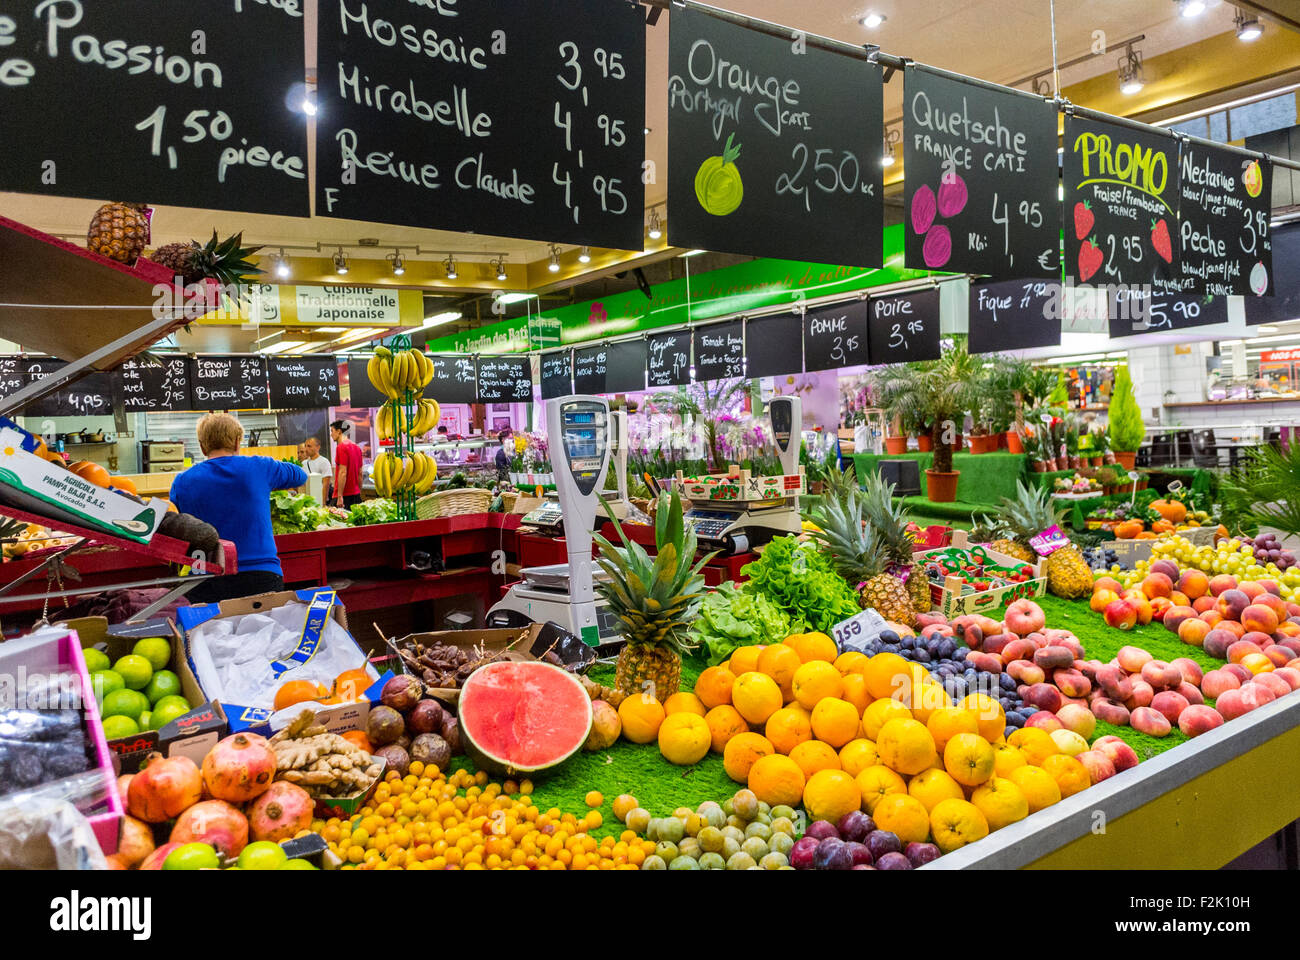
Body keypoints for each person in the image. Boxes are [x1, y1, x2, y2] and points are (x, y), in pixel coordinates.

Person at [170, 413, 307, 604]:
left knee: (207, 634)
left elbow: (174, 518)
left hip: (203, 579)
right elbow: (299, 475)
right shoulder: (259, 466)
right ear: (237, 442)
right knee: (264, 632)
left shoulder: (182, 482)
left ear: (202, 447)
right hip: (261, 576)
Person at [331, 419, 364, 508]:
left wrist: (340, 496)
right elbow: (360, 473)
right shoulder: (357, 448)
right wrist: (358, 492)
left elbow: (343, 472)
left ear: (339, 432)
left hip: (344, 496)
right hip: (355, 495)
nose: (331, 434)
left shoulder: (341, 447)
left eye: (332, 431)